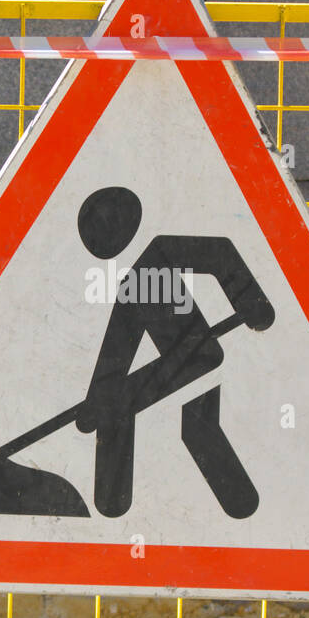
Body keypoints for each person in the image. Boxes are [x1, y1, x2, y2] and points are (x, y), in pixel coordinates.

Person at [75, 186, 274, 519]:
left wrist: (253, 305)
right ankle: (111, 505)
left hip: (199, 353)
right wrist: (98, 399)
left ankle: (241, 505)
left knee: (190, 424)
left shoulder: (161, 252)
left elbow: (220, 255)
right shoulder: (132, 283)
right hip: (182, 361)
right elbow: (118, 348)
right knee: (151, 413)